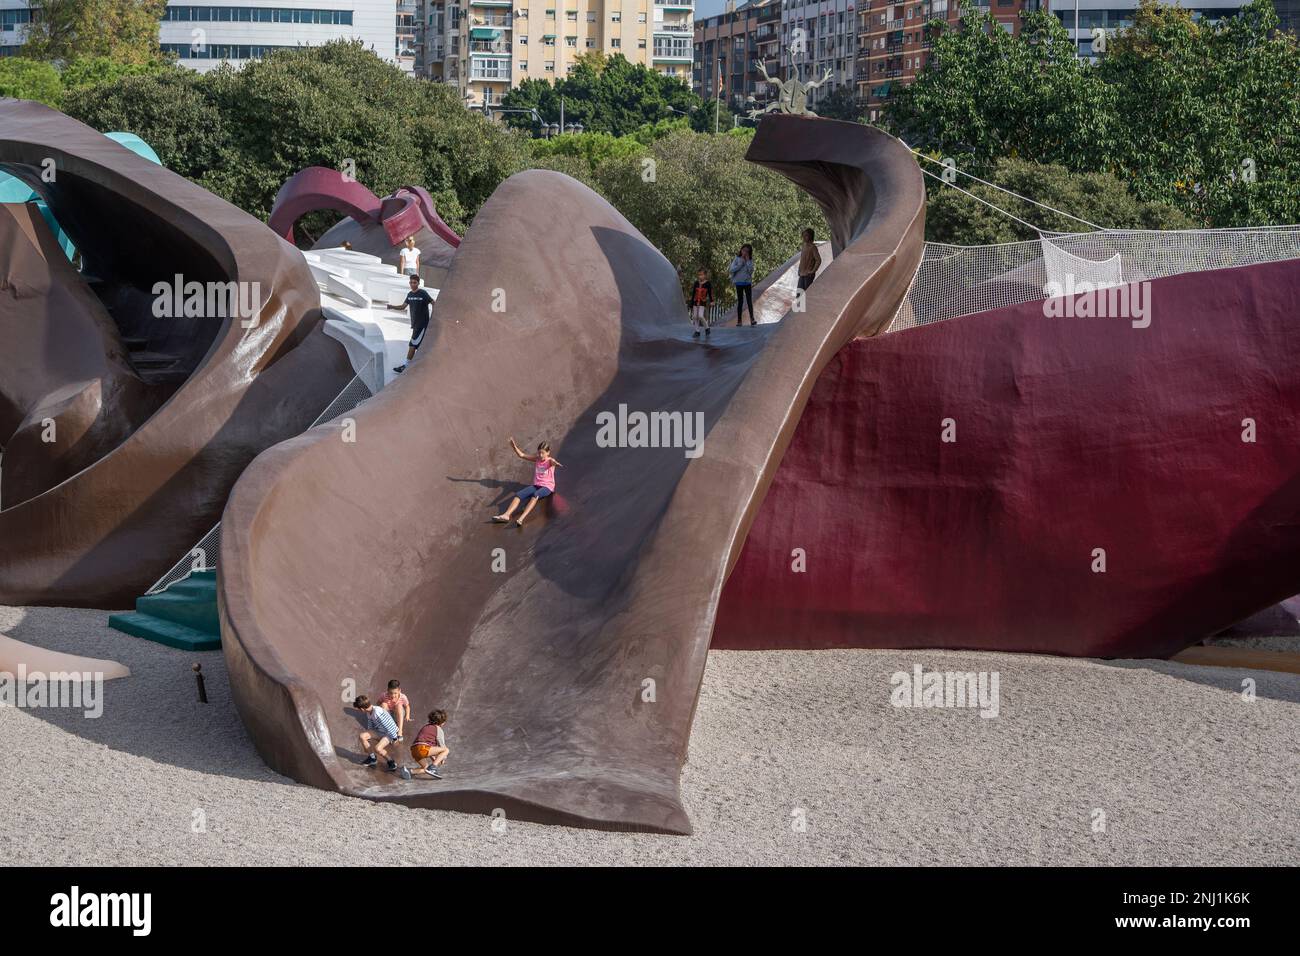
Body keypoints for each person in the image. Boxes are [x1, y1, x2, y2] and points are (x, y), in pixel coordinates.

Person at [492, 438, 563, 528]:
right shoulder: (537, 459)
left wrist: (556, 463)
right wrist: (514, 447)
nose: (540, 455)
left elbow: (553, 462)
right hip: (536, 485)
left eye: (543, 453)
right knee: (518, 495)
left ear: (548, 452)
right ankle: (506, 515)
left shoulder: (549, 460)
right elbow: (522, 455)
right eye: (539, 452)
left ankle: (521, 518)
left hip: (547, 487)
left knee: (535, 495)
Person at [386, 274, 435, 374]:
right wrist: (392, 306)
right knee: (420, 345)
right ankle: (422, 365)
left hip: (422, 325)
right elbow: (403, 306)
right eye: (411, 282)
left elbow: (433, 303)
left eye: (415, 282)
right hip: (415, 325)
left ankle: (406, 366)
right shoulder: (409, 294)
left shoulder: (423, 293)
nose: (412, 284)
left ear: (418, 283)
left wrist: (433, 317)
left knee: (412, 345)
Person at [354, 694, 400, 772]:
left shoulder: (378, 713)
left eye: (358, 709)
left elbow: (390, 725)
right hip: (381, 731)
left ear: (362, 709)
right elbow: (370, 726)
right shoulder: (369, 712)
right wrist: (369, 736)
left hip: (390, 733)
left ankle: (391, 762)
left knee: (377, 748)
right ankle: (372, 758)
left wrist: (395, 738)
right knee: (362, 736)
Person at [408, 709, 450, 779]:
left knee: (426, 768)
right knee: (446, 750)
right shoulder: (438, 729)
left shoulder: (426, 727)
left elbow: (428, 747)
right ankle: (433, 768)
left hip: (414, 750)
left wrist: (434, 759)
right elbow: (442, 745)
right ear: (442, 722)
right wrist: (443, 758)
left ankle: (410, 772)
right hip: (422, 748)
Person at [728, 244, 755, 326]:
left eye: (747, 251)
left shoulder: (750, 260)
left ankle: (752, 319)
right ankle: (739, 320)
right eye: (743, 250)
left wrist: (747, 262)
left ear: (749, 253)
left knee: (749, 300)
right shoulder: (737, 259)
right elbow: (731, 269)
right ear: (741, 250)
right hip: (739, 282)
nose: (745, 253)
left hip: (747, 282)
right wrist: (740, 265)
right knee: (740, 301)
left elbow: (751, 271)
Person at [689, 269, 714, 338]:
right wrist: (691, 302)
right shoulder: (696, 283)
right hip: (695, 301)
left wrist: (712, 301)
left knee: (700, 316)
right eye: (699, 275)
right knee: (694, 317)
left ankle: (707, 328)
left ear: (705, 275)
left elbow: (710, 293)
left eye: (701, 275)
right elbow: (693, 293)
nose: (700, 276)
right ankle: (697, 331)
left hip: (702, 302)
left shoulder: (708, 283)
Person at [797, 228, 822, 293]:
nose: (804, 237)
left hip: (808, 274)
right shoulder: (804, 246)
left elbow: (818, 260)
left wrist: (813, 271)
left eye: (806, 235)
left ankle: (807, 303)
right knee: (799, 293)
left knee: (807, 293)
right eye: (803, 235)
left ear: (810, 236)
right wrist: (799, 270)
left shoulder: (813, 247)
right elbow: (802, 259)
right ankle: (801, 303)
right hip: (802, 273)